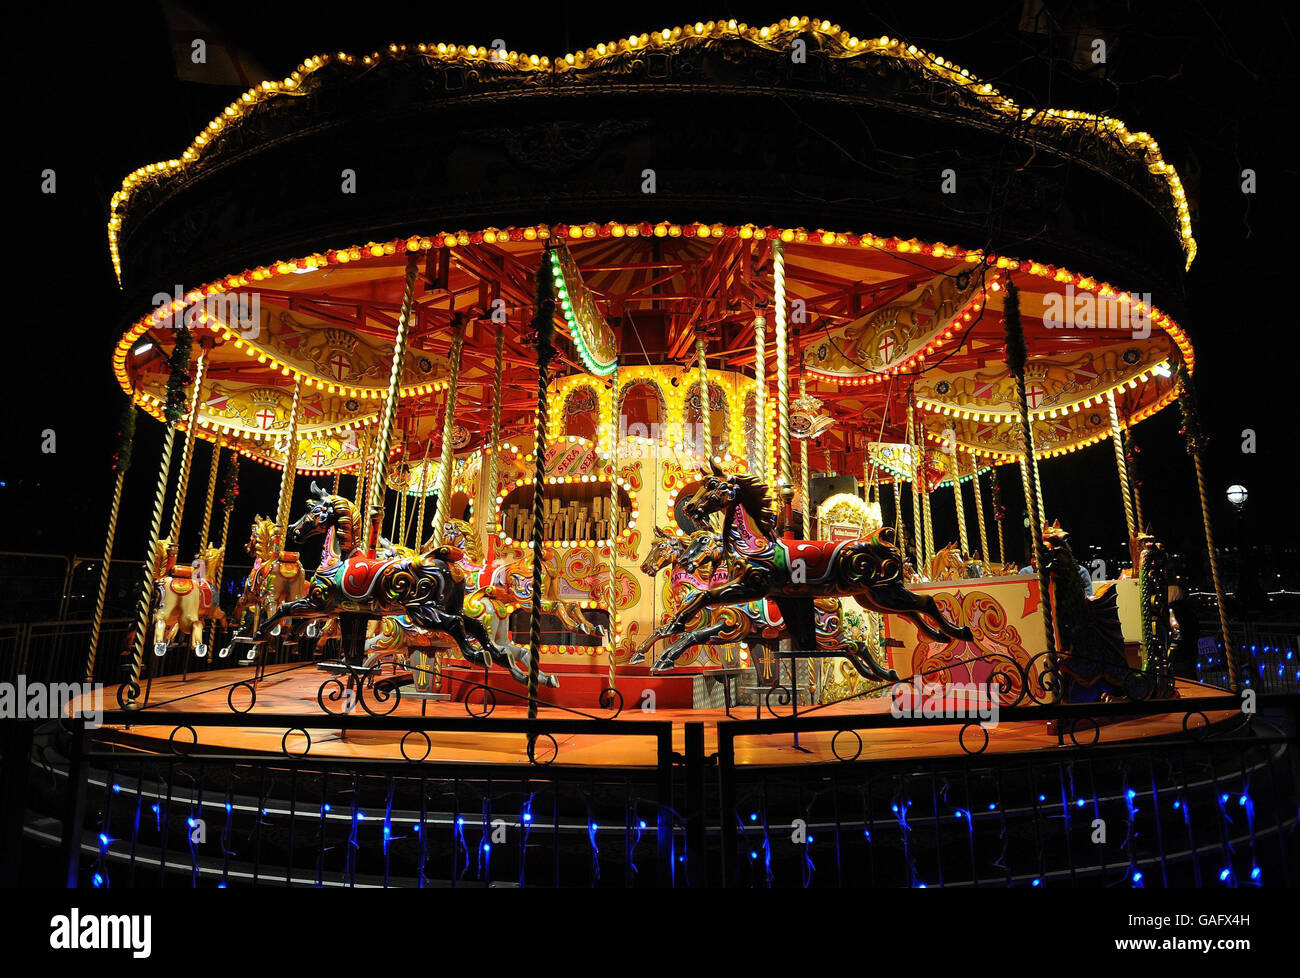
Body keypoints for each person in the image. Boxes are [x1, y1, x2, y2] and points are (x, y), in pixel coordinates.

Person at [1168, 583, 1200, 680]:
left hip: (1179, 652)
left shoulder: (1172, 611)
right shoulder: (1188, 610)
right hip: (1190, 649)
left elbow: (1176, 633)